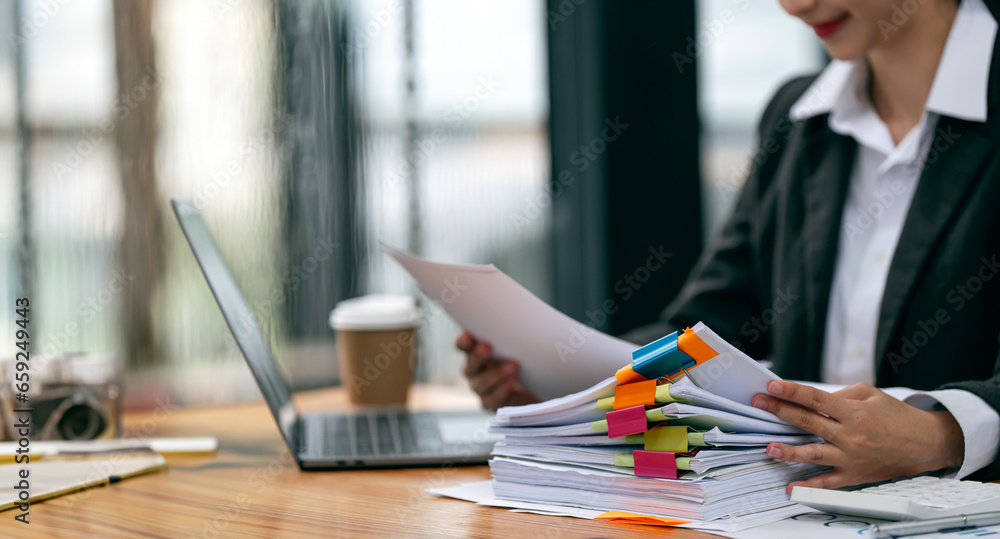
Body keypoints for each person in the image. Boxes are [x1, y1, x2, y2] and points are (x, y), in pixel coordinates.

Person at [458, 0, 1000, 490]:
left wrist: (941, 435)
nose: (796, 6)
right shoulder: (797, 119)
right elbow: (712, 327)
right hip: (798, 515)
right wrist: (566, 388)